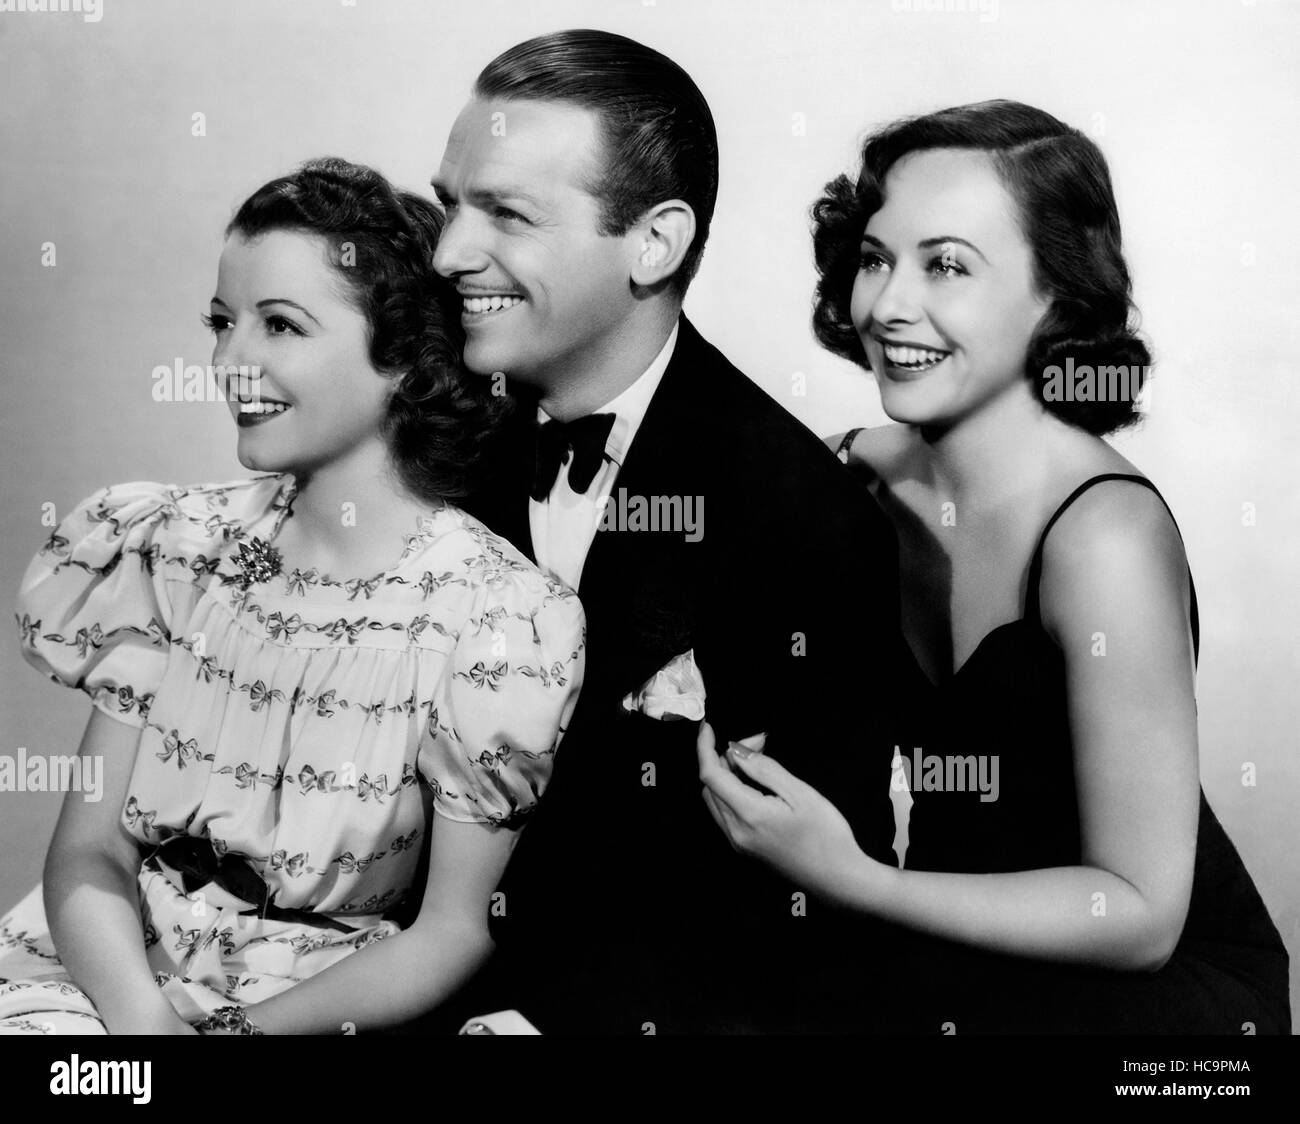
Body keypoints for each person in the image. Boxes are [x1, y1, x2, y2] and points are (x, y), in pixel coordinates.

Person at [697, 100, 1291, 1033]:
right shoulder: (843, 475)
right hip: (953, 949)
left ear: (1055, 293)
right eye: (877, 258)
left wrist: (848, 879)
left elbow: (1138, 915)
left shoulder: (1103, 539)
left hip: (1149, 1001)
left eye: (946, 266)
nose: (888, 305)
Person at [0, 158, 584, 1035]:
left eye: (280, 325)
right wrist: (143, 1029)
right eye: (222, 322)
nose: (230, 362)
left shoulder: (497, 616)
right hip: (103, 974)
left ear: (403, 362)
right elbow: (87, 856)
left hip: (311, 1007)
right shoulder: (176, 549)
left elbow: (451, 935)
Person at [420, 29, 909, 1034]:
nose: (449, 254)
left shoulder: (801, 514)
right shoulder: (425, 437)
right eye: (448, 206)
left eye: (504, 213)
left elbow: (799, 908)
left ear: (654, 242)